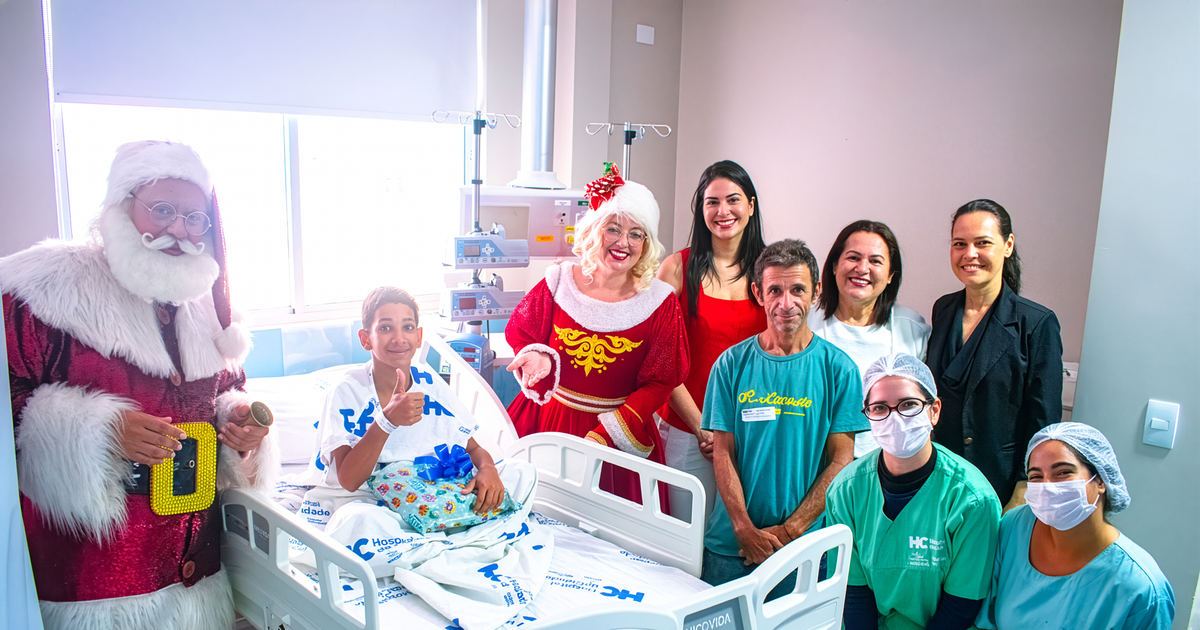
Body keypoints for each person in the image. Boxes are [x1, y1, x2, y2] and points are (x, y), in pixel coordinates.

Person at [2, 141, 276, 630]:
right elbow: (10, 399)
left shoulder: (206, 308)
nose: (180, 229)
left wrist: (237, 420)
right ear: (122, 207)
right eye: (164, 210)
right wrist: (100, 431)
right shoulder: (42, 291)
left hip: (194, 562)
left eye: (196, 218)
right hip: (92, 574)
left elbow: (228, 387)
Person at [505, 164, 688, 504]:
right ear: (593, 230)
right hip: (545, 425)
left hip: (615, 438)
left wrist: (605, 437)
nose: (623, 242)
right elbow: (522, 331)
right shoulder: (558, 281)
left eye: (636, 234)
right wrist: (536, 356)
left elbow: (661, 381)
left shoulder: (661, 302)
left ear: (646, 243)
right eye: (613, 229)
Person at [700, 238, 866, 590]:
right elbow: (723, 452)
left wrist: (790, 530)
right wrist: (744, 529)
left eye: (798, 289)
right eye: (775, 290)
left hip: (804, 550)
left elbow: (841, 461)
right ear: (758, 292)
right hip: (731, 548)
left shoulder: (839, 370)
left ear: (817, 291)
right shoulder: (730, 365)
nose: (786, 303)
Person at [293, 287, 505, 522]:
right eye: (385, 328)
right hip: (370, 500)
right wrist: (386, 421)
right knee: (358, 520)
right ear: (365, 339)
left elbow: (474, 449)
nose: (398, 338)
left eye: (407, 327)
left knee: (521, 472)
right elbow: (349, 481)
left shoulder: (429, 382)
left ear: (419, 337)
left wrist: (488, 469)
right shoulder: (347, 390)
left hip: (432, 491)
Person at [826, 353, 1000, 630]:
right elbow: (853, 592)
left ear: (935, 410)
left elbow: (962, 603)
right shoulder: (846, 491)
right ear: (868, 415)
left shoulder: (972, 499)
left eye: (908, 404)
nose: (894, 419)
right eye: (880, 408)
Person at [926, 199, 1063, 510]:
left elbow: (1043, 421)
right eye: (959, 243)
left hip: (998, 484)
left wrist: (1023, 488)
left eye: (982, 243)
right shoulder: (943, 310)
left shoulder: (1036, 323)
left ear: (1008, 245)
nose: (969, 254)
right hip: (939, 476)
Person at [977, 423, 1175, 629]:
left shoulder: (1141, 588)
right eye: (1036, 476)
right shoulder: (1015, 527)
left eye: (1063, 472)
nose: (1047, 487)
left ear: (1100, 481)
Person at [656, 160, 767, 520]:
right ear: (700, 209)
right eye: (712, 202)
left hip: (753, 431)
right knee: (683, 537)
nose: (723, 211)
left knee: (743, 536)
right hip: (688, 429)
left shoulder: (772, 270)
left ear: (750, 205)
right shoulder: (676, 268)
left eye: (733, 200)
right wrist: (703, 427)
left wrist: (733, 431)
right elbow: (660, 358)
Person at [810, 220, 931, 458]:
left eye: (875, 261)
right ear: (835, 265)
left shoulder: (912, 329)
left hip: (888, 467)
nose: (862, 268)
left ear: (890, 276)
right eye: (853, 258)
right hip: (814, 464)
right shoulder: (805, 322)